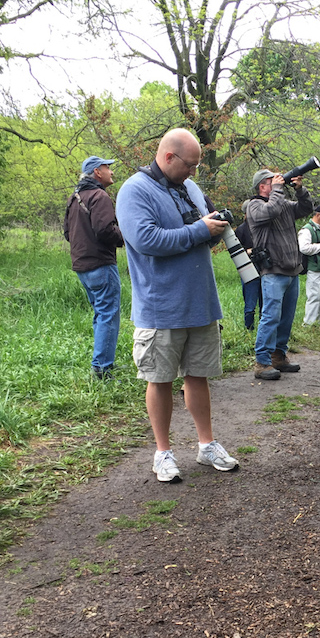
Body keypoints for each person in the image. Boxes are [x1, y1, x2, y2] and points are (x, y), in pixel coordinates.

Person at [115, 128, 239, 484]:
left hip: (200, 302)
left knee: (198, 376)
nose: (193, 172)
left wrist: (214, 229)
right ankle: (163, 453)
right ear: (169, 157)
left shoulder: (190, 187)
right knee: (160, 379)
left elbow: (198, 233)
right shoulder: (134, 191)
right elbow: (147, 240)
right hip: (161, 306)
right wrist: (201, 231)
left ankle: (207, 445)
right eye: (190, 165)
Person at [244, 169, 313, 380]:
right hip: (272, 270)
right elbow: (270, 211)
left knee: (286, 318)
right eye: (270, 181)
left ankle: (278, 356)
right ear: (261, 186)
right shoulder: (254, 206)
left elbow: (306, 209)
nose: (277, 182)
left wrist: (300, 190)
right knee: (271, 316)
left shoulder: (281, 203)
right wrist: (278, 189)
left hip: (292, 269)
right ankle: (262, 362)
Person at [63, 155, 124, 379]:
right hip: (101, 264)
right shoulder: (99, 196)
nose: (111, 172)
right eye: (108, 167)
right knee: (108, 313)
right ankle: (102, 368)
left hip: (82, 266)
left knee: (101, 313)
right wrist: (125, 236)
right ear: (97, 172)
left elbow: (67, 233)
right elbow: (105, 230)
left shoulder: (74, 198)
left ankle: (102, 362)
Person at [297, 204, 320, 325]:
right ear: (318, 215)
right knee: (313, 296)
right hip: (314, 268)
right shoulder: (306, 230)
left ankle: (318, 322)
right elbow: (304, 248)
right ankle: (308, 323)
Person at [233, 219, 263, 330]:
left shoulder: (262, 226)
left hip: (264, 268)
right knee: (250, 304)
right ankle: (249, 329)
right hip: (248, 269)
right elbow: (235, 251)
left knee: (265, 303)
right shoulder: (241, 229)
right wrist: (249, 251)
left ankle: (263, 329)